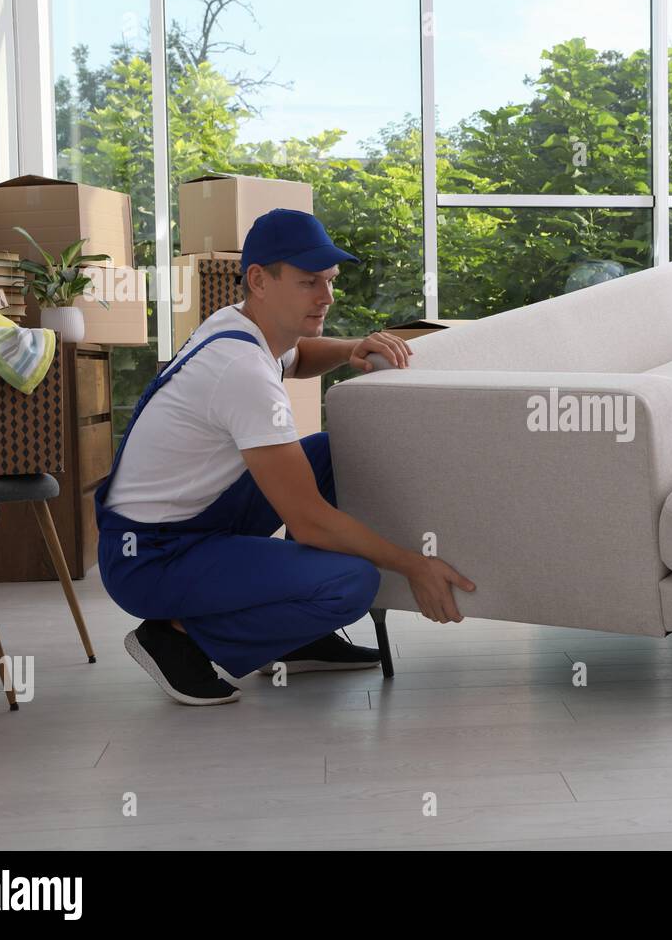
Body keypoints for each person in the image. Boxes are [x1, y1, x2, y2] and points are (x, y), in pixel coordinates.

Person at [96, 208, 475, 704]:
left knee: (333, 452)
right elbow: (310, 522)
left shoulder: (240, 324)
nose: (326, 296)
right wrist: (415, 566)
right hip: (150, 559)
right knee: (351, 583)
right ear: (259, 280)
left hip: (189, 523)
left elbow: (296, 358)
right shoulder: (241, 370)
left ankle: (292, 638)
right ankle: (175, 638)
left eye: (330, 280)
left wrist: (352, 348)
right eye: (308, 282)